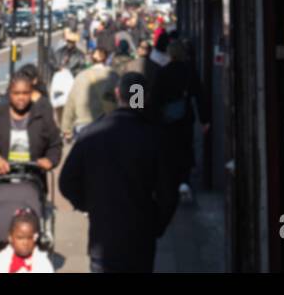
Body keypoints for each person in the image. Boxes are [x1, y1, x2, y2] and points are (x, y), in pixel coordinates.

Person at [58, 71, 178, 273]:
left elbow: (67, 182)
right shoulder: (153, 136)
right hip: (140, 238)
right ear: (145, 96)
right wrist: (156, 224)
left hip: (103, 235)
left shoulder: (92, 134)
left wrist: (89, 204)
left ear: (116, 93)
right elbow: (169, 192)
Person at [0, 70, 62, 250]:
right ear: (9, 93)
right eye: (16, 94)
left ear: (31, 93)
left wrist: (49, 160)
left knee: (32, 213)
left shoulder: (42, 116)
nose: (21, 98)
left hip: (31, 179)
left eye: (25, 93)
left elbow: (55, 145)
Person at [155, 38, 212, 202]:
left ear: (169, 54)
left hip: (166, 119)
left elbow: (155, 98)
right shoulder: (189, 71)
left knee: (168, 149)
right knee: (185, 147)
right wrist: (205, 119)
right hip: (185, 117)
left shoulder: (163, 72)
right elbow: (199, 96)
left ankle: (170, 183)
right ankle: (184, 182)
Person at [61, 42, 117, 140]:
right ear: (106, 58)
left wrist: (66, 128)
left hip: (83, 127)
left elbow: (70, 103)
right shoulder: (113, 75)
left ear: (91, 58)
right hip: (107, 125)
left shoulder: (80, 77)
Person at [0, 209, 54, 273]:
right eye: (20, 238)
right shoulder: (0, 260)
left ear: (35, 237)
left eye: (29, 237)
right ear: (10, 237)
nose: (25, 243)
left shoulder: (42, 263)